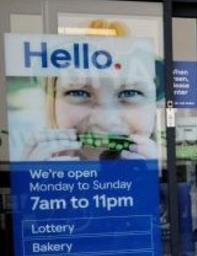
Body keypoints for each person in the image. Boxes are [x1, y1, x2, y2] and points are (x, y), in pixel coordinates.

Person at [15, 20, 160, 162]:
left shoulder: (174, 180)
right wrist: (33, 181)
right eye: (79, 93)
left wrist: (155, 179)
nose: (106, 122)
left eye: (130, 93)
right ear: (52, 104)